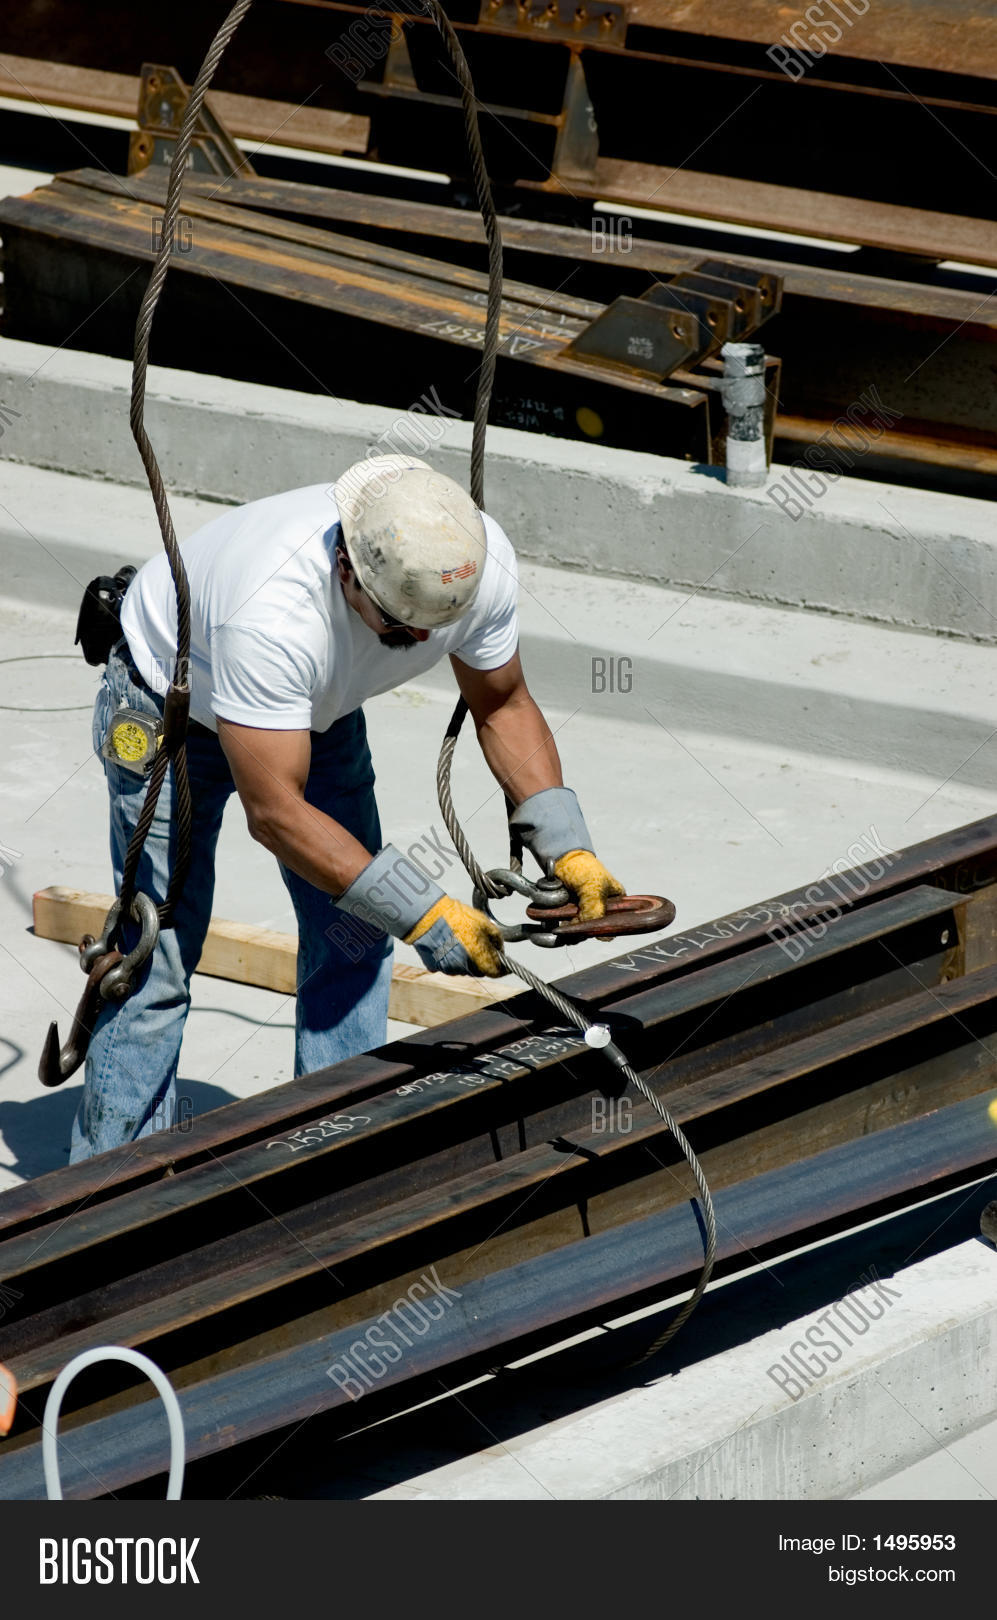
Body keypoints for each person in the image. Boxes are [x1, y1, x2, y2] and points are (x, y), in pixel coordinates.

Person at [72, 454, 624, 1161]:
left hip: (315, 711)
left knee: (354, 941)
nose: (420, 643)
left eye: (434, 629)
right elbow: (275, 813)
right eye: (400, 629)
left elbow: (503, 703)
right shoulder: (270, 609)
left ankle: (332, 1156)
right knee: (154, 963)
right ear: (345, 570)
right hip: (172, 705)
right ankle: (103, 1199)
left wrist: (566, 845)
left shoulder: (467, 565)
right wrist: (423, 912)